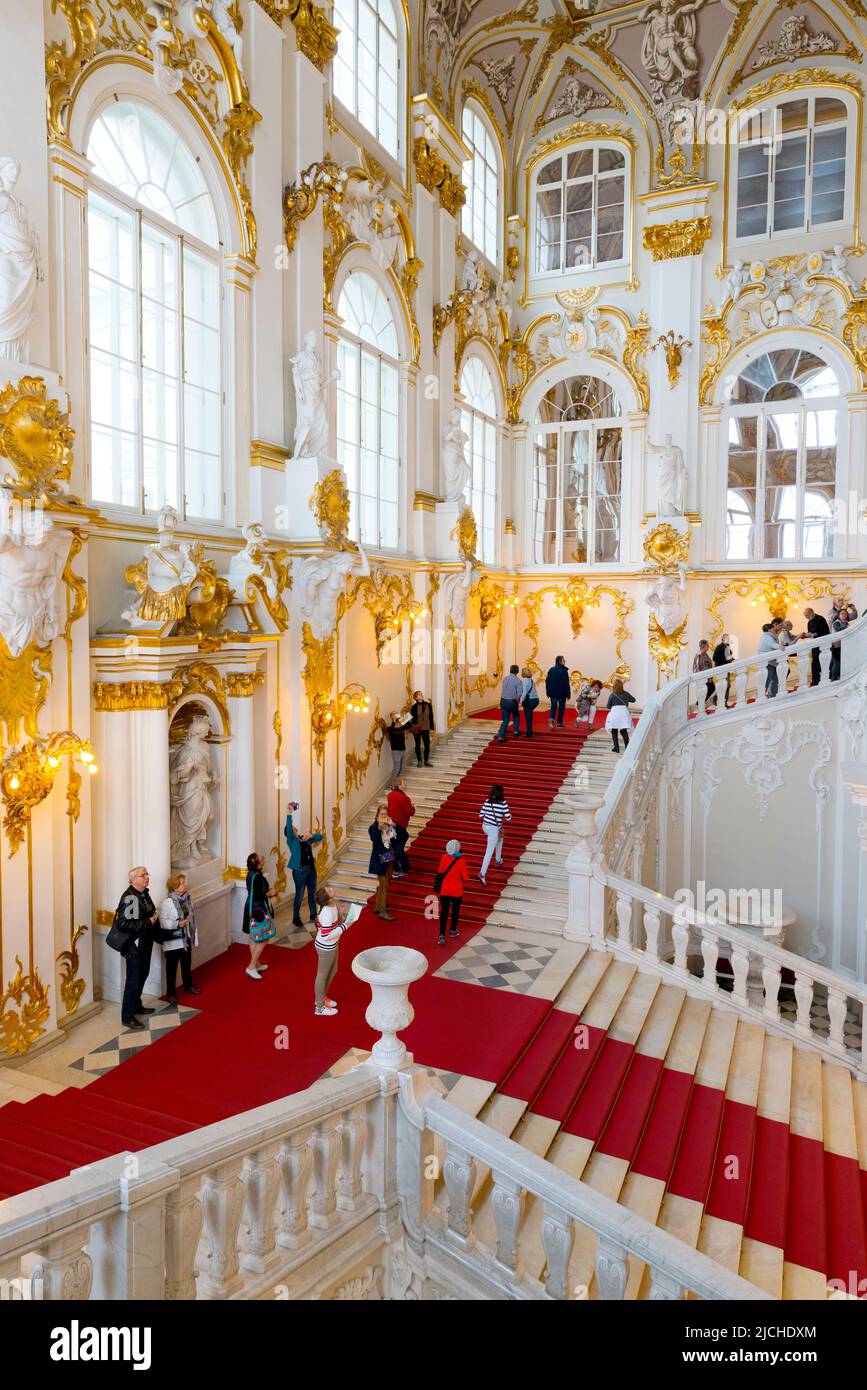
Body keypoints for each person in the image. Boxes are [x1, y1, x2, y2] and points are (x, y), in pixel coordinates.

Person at [114, 866, 158, 1030]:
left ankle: (137, 1005)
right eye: (143, 875)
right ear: (133, 880)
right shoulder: (131, 898)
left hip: (145, 943)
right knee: (133, 981)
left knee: (142, 975)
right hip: (135, 947)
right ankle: (127, 1016)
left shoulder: (144, 894)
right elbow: (124, 924)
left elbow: (149, 912)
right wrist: (148, 922)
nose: (147, 877)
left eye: (147, 873)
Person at [159, 872, 201, 1005]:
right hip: (173, 941)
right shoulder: (167, 902)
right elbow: (162, 921)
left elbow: (192, 919)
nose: (185, 885)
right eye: (182, 883)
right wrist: (177, 924)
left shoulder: (187, 899)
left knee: (186, 965)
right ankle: (171, 994)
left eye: (184, 882)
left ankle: (188, 986)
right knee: (171, 969)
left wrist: (191, 933)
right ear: (175, 887)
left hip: (185, 939)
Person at [312, 885, 349, 1017]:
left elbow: (334, 924)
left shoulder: (332, 905)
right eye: (328, 890)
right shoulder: (327, 912)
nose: (331, 888)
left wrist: (341, 914)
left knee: (333, 971)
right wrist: (345, 926)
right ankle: (319, 1007)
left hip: (332, 944)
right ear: (327, 898)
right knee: (322, 976)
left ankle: (323, 997)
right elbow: (325, 935)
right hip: (325, 948)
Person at [285, 802, 323, 928]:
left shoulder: (304, 839)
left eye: (295, 828)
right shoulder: (291, 841)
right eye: (293, 829)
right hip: (300, 872)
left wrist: (311, 835)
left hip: (311, 870)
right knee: (300, 895)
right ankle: (296, 917)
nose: (296, 829)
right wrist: (289, 814)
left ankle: (313, 914)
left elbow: (320, 837)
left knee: (312, 892)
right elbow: (289, 827)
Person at [242, 851, 276, 979]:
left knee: (253, 936)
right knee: (264, 936)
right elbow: (260, 895)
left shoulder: (252, 874)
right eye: (260, 858)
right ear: (257, 864)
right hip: (258, 909)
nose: (263, 857)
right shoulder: (258, 876)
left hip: (251, 906)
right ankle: (251, 966)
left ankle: (256, 963)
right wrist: (271, 893)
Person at [436, 838, 469, 944]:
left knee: (444, 912)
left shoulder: (444, 857)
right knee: (455, 910)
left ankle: (442, 934)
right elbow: (465, 877)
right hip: (457, 890)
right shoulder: (462, 861)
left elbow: (440, 871)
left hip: (445, 889)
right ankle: (453, 930)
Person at [478, 783, 511, 884]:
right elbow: (509, 818)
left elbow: (481, 815)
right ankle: (482, 873)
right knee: (489, 852)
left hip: (485, 826)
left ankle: (498, 860)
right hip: (493, 829)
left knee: (500, 837)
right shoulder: (503, 803)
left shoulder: (487, 801)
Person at [368, 804, 396, 920]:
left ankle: (378, 906)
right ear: (377, 815)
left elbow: (395, 838)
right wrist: (379, 827)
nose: (384, 816)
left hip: (388, 857)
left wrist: (392, 826)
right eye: (381, 814)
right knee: (383, 885)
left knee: (385, 884)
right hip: (379, 859)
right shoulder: (373, 827)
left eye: (385, 814)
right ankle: (383, 911)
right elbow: (374, 839)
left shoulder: (388, 825)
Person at [387, 777, 415, 877]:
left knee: (394, 846)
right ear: (399, 784)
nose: (406, 784)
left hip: (391, 824)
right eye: (404, 783)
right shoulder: (404, 798)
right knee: (398, 847)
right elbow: (410, 812)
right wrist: (413, 807)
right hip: (400, 825)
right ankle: (403, 867)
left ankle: (396, 867)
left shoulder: (390, 795)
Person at [606, 678, 636, 752]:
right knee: (623, 730)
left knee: (614, 730)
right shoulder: (626, 694)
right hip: (624, 713)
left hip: (615, 713)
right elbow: (633, 700)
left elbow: (608, 706)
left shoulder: (612, 695)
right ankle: (627, 747)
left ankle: (616, 748)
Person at [801, 607, 829, 686]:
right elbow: (811, 633)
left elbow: (824, 632)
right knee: (815, 662)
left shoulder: (820, 619)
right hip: (814, 646)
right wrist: (805, 636)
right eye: (805, 616)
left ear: (811, 612)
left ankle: (824, 678)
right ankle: (816, 680)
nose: (806, 617)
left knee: (823, 661)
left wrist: (811, 634)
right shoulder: (809, 622)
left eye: (806, 615)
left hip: (823, 645)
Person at [758, 619, 783, 697]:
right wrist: (780, 647)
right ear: (769, 629)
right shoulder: (767, 636)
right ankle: (761, 696)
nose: (773, 630)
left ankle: (772, 695)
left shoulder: (770, 636)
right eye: (772, 628)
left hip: (772, 661)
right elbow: (772, 644)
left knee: (774, 679)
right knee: (767, 680)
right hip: (768, 662)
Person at [497, 664, 523, 741]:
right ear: (517, 671)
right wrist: (518, 702)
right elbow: (519, 694)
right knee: (516, 715)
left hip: (503, 700)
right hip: (512, 702)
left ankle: (501, 735)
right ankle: (515, 731)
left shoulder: (505, 678)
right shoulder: (518, 681)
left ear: (510, 670)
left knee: (505, 720)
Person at [409, 691, 434, 766]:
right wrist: (401, 720)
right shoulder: (413, 707)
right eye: (419, 694)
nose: (421, 695)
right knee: (417, 744)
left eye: (421, 694)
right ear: (416, 697)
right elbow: (411, 717)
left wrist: (431, 727)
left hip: (426, 728)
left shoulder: (428, 705)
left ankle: (426, 760)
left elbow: (431, 716)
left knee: (427, 745)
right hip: (417, 728)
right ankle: (419, 760)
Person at [546, 655, 571, 728]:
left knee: (553, 707)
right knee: (561, 708)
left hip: (552, 693)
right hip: (561, 693)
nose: (565, 661)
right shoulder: (564, 670)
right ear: (560, 661)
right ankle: (559, 723)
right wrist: (568, 694)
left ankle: (551, 719)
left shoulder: (551, 669)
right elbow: (566, 683)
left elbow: (547, 681)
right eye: (564, 660)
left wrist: (548, 692)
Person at [713, 633, 734, 708]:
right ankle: (716, 698)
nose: (728, 639)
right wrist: (726, 659)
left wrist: (732, 659)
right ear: (723, 639)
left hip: (726, 668)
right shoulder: (719, 647)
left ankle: (724, 704)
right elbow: (715, 658)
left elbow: (728, 657)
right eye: (726, 638)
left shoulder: (727, 647)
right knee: (725, 685)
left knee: (727, 686)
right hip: (721, 669)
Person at [384, 710, 407, 779]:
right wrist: (393, 721)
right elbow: (391, 731)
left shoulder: (401, 725)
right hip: (396, 750)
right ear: (391, 717)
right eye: (394, 714)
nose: (396, 715)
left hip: (403, 749)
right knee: (397, 767)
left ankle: (398, 782)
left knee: (402, 767)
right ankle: (393, 783)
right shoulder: (390, 726)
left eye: (396, 713)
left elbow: (409, 725)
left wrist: (404, 719)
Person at [692, 639, 714, 710]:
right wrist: (701, 679)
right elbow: (697, 668)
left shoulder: (705, 654)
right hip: (703, 678)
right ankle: (700, 704)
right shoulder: (699, 655)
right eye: (708, 645)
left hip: (708, 677)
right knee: (707, 690)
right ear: (704, 646)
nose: (708, 647)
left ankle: (701, 703)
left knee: (711, 688)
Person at [520, 665, 540, 737]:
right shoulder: (531, 680)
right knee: (529, 715)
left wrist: (520, 702)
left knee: (528, 717)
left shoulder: (524, 681)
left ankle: (529, 733)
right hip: (535, 700)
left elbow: (524, 692)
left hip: (529, 701)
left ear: (523, 673)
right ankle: (529, 732)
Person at [830, 605, 849, 681]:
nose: (844, 615)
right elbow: (839, 629)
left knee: (841, 663)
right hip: (836, 647)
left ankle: (839, 678)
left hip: (843, 646)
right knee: (837, 664)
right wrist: (846, 626)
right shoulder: (836, 623)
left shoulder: (846, 623)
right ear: (838, 615)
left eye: (845, 614)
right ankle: (833, 679)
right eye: (842, 613)